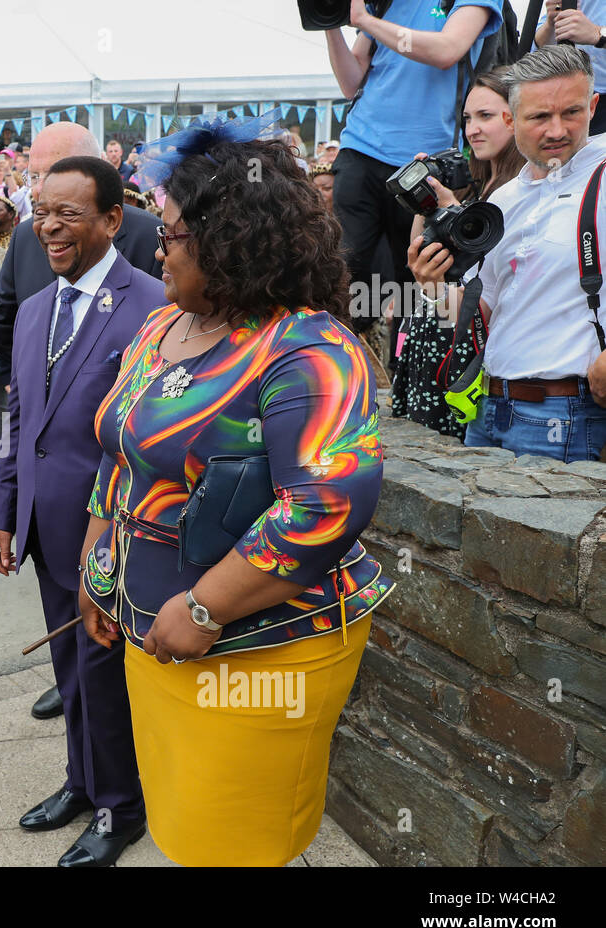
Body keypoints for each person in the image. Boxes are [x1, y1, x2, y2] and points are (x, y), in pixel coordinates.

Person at [77, 125, 392, 867]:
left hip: (256, 647)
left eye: (174, 231)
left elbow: (327, 503)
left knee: (237, 841)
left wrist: (206, 604)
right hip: (156, 636)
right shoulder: (161, 325)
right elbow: (118, 455)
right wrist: (99, 571)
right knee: (185, 828)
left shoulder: (307, 350)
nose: (157, 244)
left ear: (232, 239)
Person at [0, 123, 165, 722]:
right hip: (45, 512)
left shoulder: (151, 252)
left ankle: (117, 795)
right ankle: (84, 769)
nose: (46, 212)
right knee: (73, 661)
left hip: (114, 510)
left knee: (110, 667)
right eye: (37, 185)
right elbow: (6, 329)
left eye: (59, 184)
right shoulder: (26, 248)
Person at [0, 155, 164, 867]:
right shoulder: (34, 309)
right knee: (70, 671)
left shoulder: (153, 307)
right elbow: (21, 420)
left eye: (67, 214)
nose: (48, 227)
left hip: (114, 532)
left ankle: (123, 809)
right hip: (42, 527)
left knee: (105, 674)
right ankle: (83, 784)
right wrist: (4, 510)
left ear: (113, 220)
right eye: (41, 211)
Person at [438, 45, 606, 460]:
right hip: (487, 408)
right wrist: (430, 284)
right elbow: (487, 312)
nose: (556, 130)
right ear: (511, 120)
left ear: (594, 105)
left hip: (569, 412)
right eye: (539, 117)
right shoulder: (504, 199)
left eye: (571, 112)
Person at [324, 0, 504, 332]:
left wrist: (365, 19)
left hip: (423, 164)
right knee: (347, 268)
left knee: (413, 280)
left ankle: (404, 369)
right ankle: (335, 360)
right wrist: (329, 22)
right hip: (360, 148)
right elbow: (351, 83)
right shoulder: (385, 2)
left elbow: (447, 50)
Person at [399, 68, 522, 437]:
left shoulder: (520, 194)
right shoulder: (475, 189)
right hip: (439, 332)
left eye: (486, 116)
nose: (472, 130)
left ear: (516, 116)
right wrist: (428, 202)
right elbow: (423, 261)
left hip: (470, 349)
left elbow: (483, 288)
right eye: (467, 118)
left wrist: (457, 216)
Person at [537, 0, 606, 134]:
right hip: (571, 95)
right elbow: (538, 47)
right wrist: (550, 24)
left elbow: (594, 33)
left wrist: (598, 34)